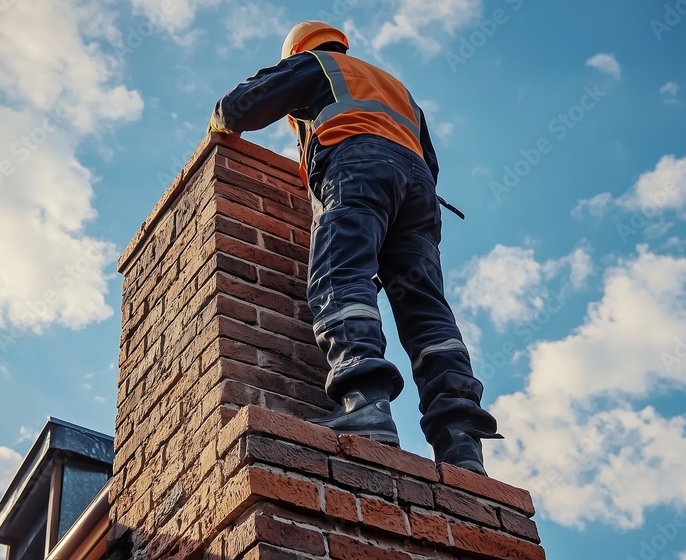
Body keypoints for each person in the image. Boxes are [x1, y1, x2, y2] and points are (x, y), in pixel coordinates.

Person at [208, 21, 501, 475]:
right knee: (426, 310)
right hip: (419, 193)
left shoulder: (316, 65)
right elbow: (429, 160)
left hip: (358, 166)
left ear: (299, 51)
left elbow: (240, 108)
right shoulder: (397, 90)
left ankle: (365, 405)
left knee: (339, 277)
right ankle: (460, 441)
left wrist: (218, 122)